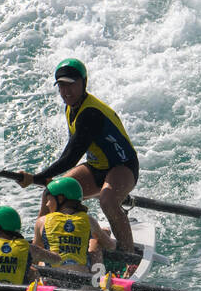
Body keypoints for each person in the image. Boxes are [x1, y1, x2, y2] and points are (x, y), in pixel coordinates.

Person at [16, 58, 139, 252]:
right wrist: (45, 178)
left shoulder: (91, 113)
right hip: (96, 167)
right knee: (52, 192)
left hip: (123, 167)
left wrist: (36, 177)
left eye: (71, 85)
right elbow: (70, 149)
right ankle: (39, 249)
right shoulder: (70, 107)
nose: (66, 91)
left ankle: (128, 253)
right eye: (62, 86)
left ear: (84, 83)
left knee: (107, 200)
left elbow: (71, 158)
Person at [33, 176, 116, 270]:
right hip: (83, 279)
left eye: (49, 200)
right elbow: (110, 246)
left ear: (60, 199)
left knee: (41, 253)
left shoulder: (41, 221)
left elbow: (34, 255)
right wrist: (105, 234)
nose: (47, 204)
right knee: (96, 240)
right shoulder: (89, 220)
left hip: (50, 280)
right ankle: (97, 278)